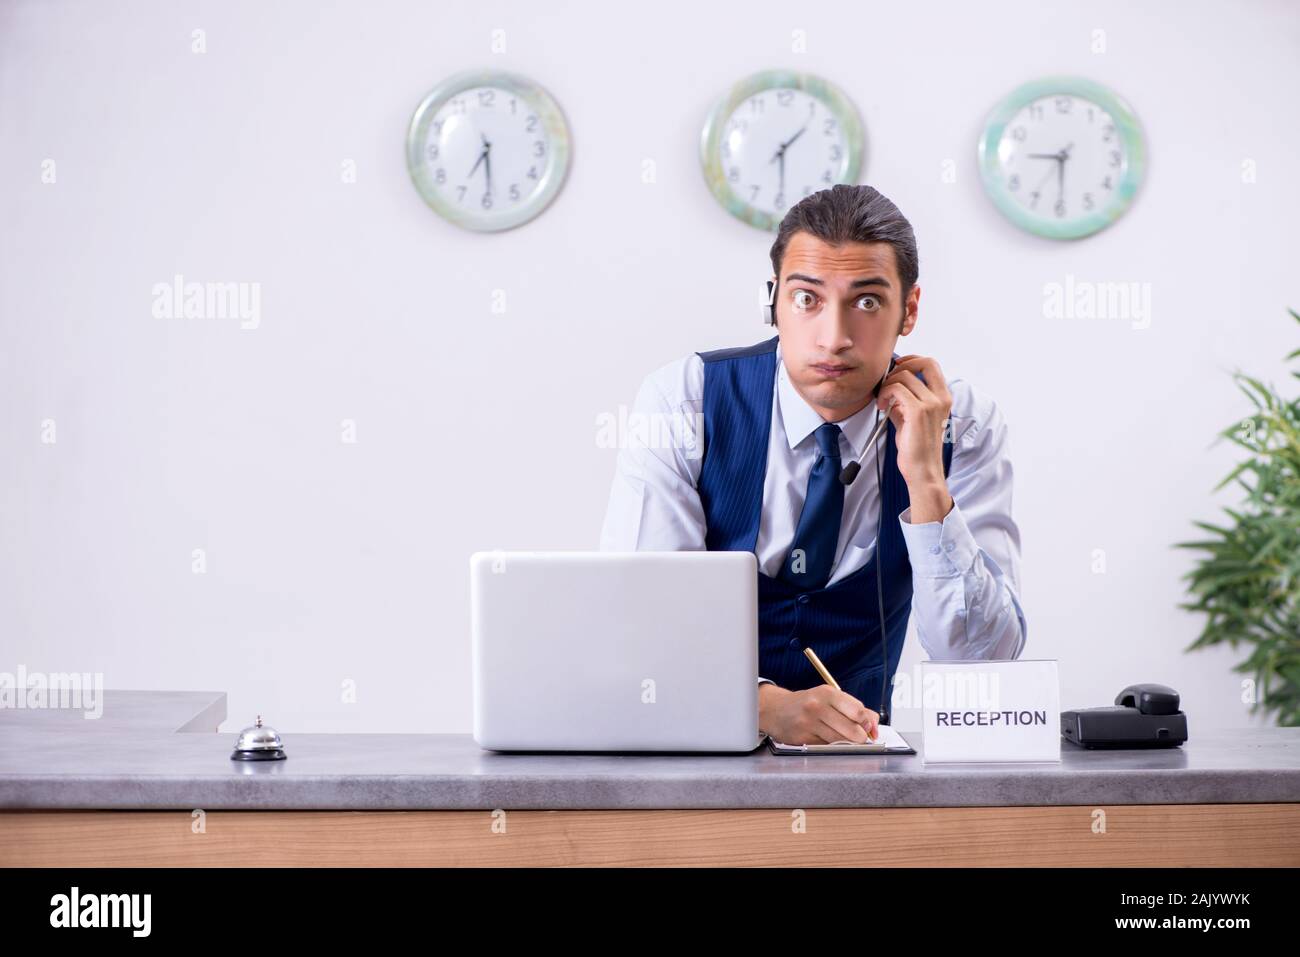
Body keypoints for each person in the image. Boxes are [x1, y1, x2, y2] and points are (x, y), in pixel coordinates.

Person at [600, 184, 1026, 745]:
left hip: (860, 776)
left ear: (910, 310)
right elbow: (640, 628)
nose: (835, 338)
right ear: (772, 302)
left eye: (867, 302)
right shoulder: (686, 400)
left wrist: (926, 482)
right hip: (688, 757)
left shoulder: (963, 425)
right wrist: (762, 706)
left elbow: (981, 665)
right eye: (807, 299)